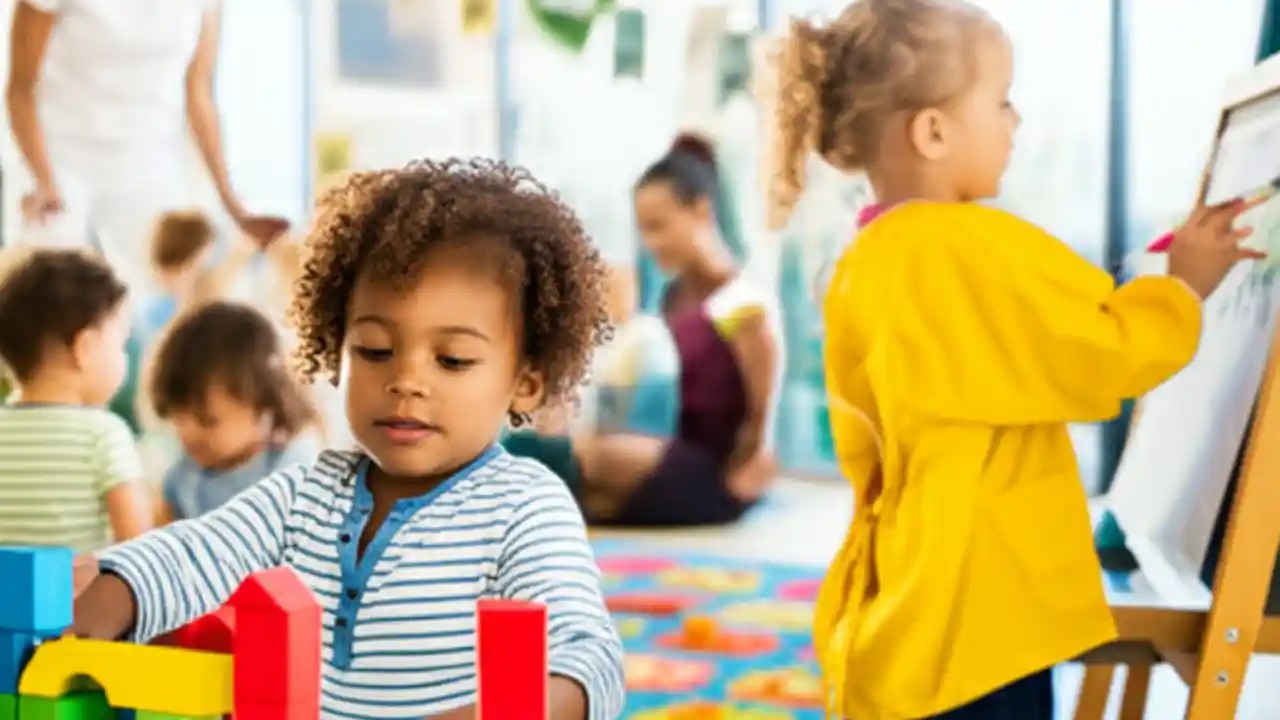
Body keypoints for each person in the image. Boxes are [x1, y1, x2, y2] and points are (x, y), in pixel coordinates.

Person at [766, 1, 1266, 718]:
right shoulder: (961, 248)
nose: (1016, 122)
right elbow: (1101, 354)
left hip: (918, 596)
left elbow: (1037, 338)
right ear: (933, 131)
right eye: (1001, 101)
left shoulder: (872, 257)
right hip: (977, 619)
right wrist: (1183, 287)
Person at [71, 158, 625, 720]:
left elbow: (587, 653)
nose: (405, 380)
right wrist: (103, 604)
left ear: (525, 383)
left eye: (452, 360)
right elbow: (192, 554)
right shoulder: (307, 493)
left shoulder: (525, 505)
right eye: (375, 350)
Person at [505, 134, 783, 526]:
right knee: (574, 484)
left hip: (719, 473)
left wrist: (751, 469)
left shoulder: (741, 301)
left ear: (700, 211)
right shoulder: (674, 296)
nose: (650, 243)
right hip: (674, 454)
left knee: (567, 456)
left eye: (658, 226)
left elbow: (762, 414)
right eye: (643, 231)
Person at [6, 0, 288, 294]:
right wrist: (43, 179)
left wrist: (235, 208)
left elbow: (199, 96)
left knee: (172, 281)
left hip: (146, 155)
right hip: (56, 149)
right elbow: (20, 90)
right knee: (47, 285)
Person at [0, 248, 152, 551]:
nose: (123, 358)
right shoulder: (103, 434)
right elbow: (140, 548)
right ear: (84, 348)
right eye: (121, 344)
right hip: (72, 599)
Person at [149, 302, 320, 522]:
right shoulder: (183, 478)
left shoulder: (292, 468)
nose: (187, 432)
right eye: (178, 418)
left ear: (264, 405)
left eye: (208, 421)